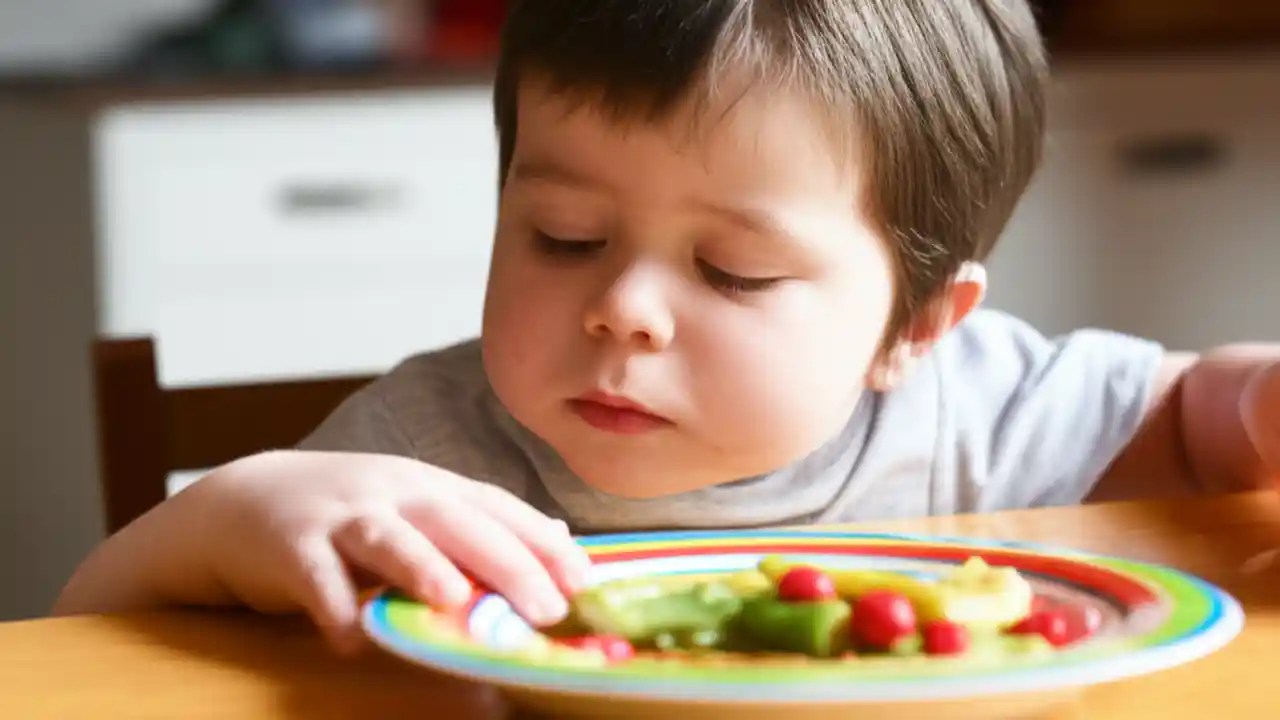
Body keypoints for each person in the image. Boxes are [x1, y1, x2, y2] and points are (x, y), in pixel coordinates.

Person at [55, 0, 1279, 655]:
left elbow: (1204, 412)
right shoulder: (417, 461)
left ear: (914, 325)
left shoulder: (980, 411)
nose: (621, 310)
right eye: (564, 239)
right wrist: (233, 510)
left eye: (733, 271)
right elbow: (86, 646)